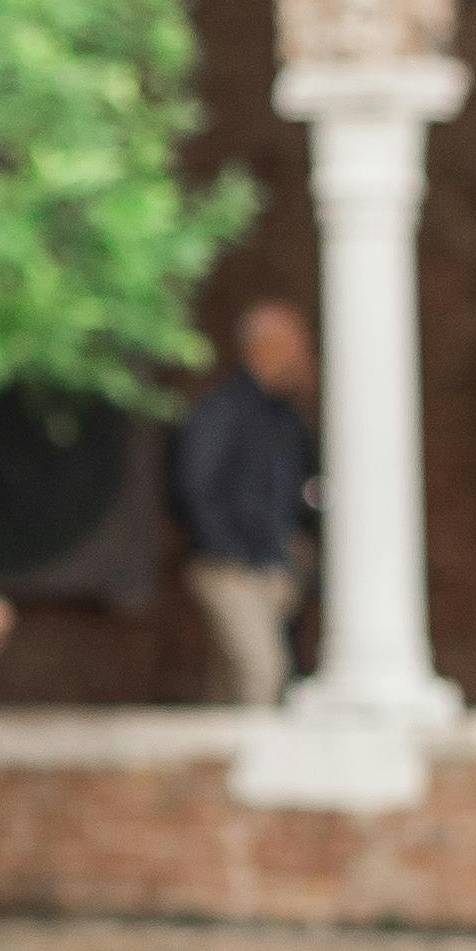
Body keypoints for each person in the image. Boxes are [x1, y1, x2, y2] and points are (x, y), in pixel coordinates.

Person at [168, 296, 320, 707]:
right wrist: (230, 551)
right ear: (267, 345)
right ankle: (259, 770)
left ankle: (219, 766)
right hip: (230, 568)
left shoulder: (286, 417)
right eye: (297, 342)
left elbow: (302, 489)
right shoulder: (221, 410)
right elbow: (194, 486)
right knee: (263, 672)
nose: (305, 352)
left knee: (232, 682)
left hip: (275, 566)